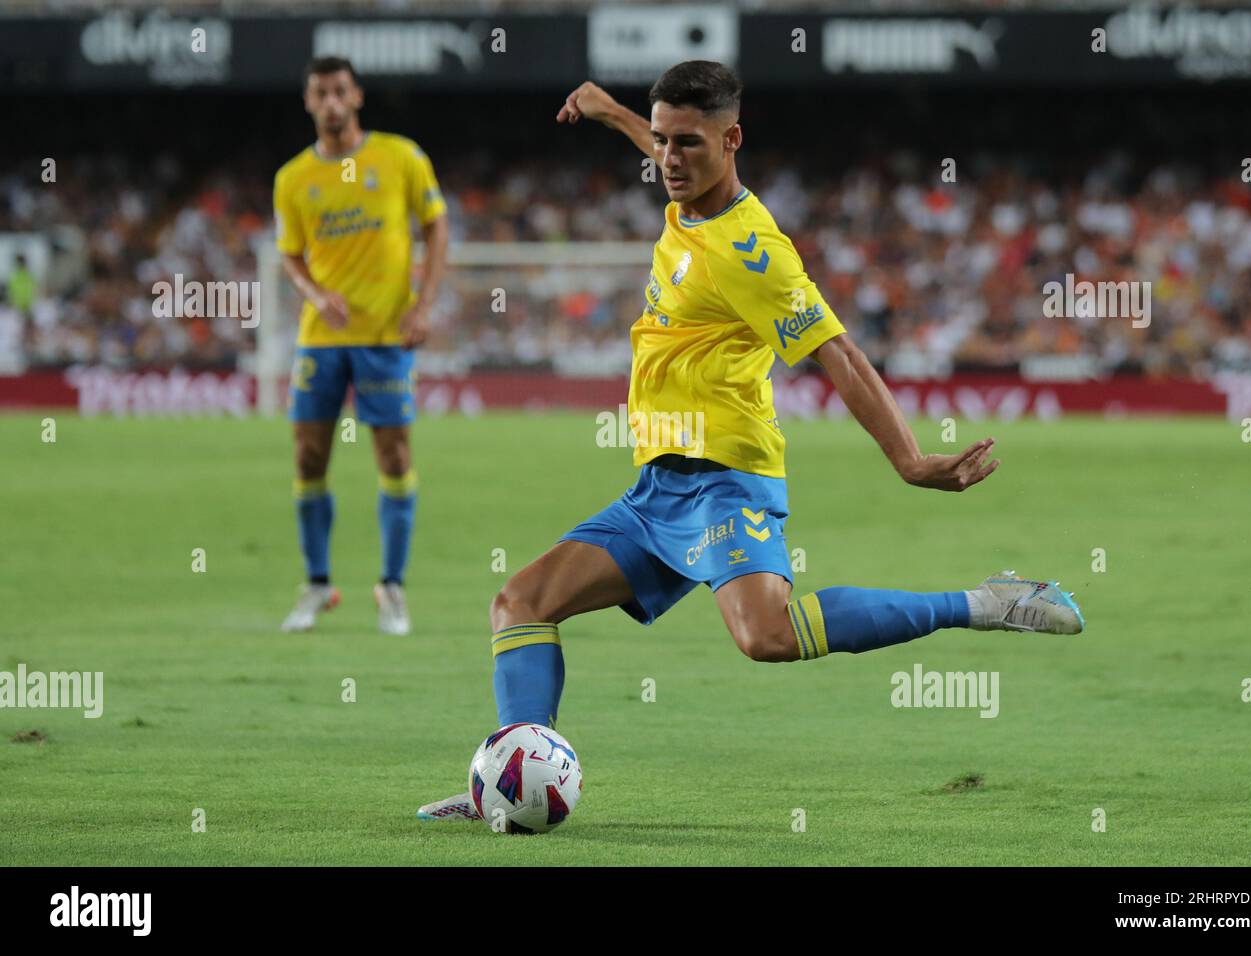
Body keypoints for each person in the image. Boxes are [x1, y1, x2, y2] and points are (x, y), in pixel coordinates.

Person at [417, 62, 1083, 822]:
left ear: (732, 141)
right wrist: (612, 115)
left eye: (688, 144)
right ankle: (510, 778)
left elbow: (839, 351)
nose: (668, 158)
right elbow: (666, 149)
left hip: (726, 475)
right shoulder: (686, 195)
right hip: (659, 485)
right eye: (661, 140)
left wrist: (909, 460)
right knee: (520, 602)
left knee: (766, 635)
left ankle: (986, 602)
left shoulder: (753, 252)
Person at [273, 56, 449, 635]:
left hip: (385, 336)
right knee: (307, 457)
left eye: (339, 91)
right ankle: (317, 584)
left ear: (357, 97)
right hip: (321, 339)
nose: (330, 102)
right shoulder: (293, 178)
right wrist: (315, 293)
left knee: (394, 456)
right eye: (320, 92)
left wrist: (423, 306)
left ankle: (392, 586)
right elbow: (290, 254)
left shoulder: (400, 157)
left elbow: (436, 226)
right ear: (307, 101)